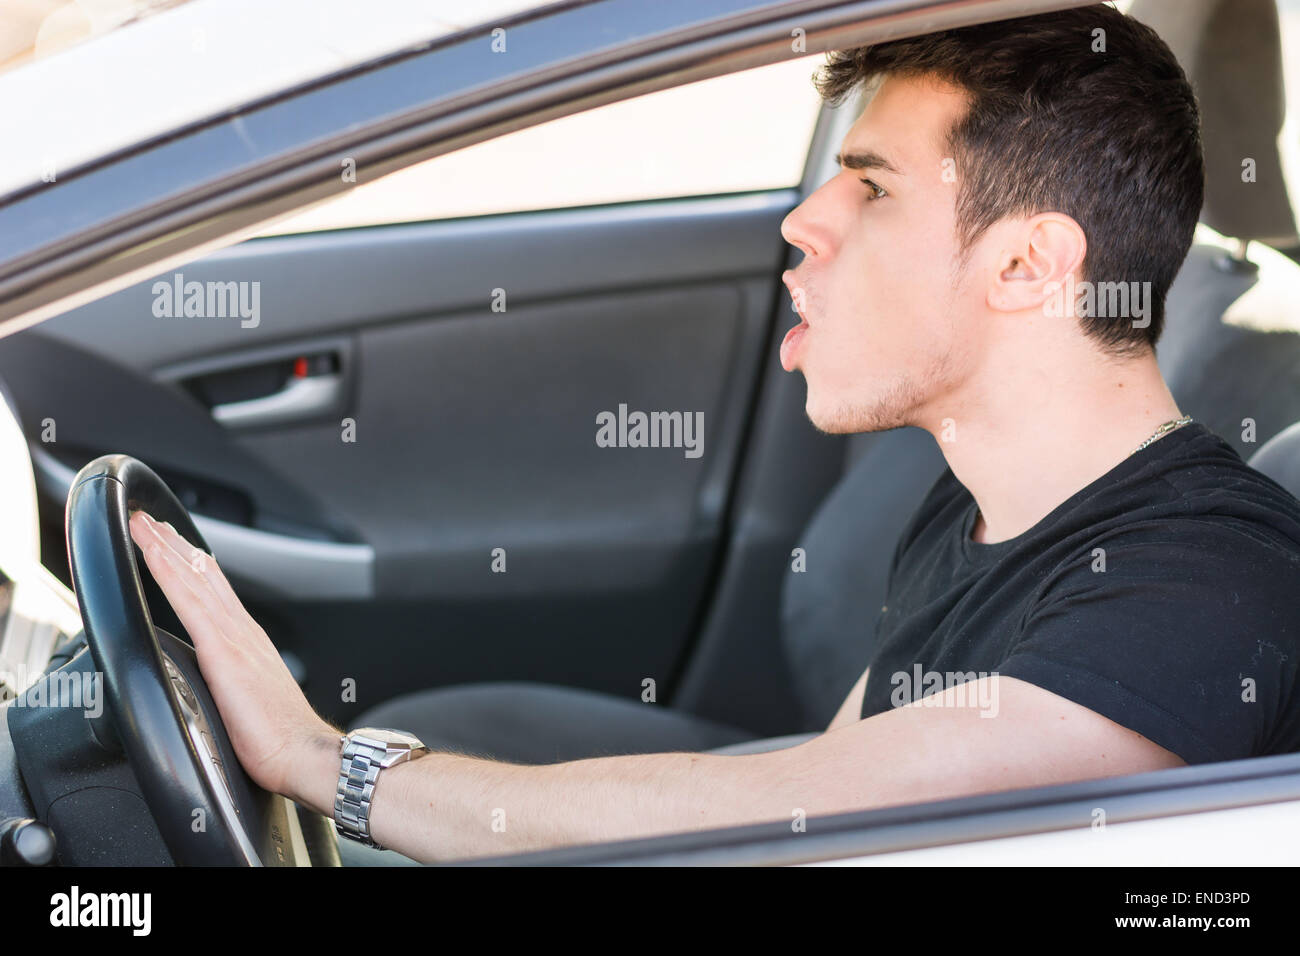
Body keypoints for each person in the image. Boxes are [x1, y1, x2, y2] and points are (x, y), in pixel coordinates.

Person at [129, 4, 1300, 863]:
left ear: (1027, 264)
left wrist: (327, 762)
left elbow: (817, 808)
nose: (803, 219)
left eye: (872, 186)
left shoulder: (1208, 586)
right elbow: (844, 761)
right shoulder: (980, 494)